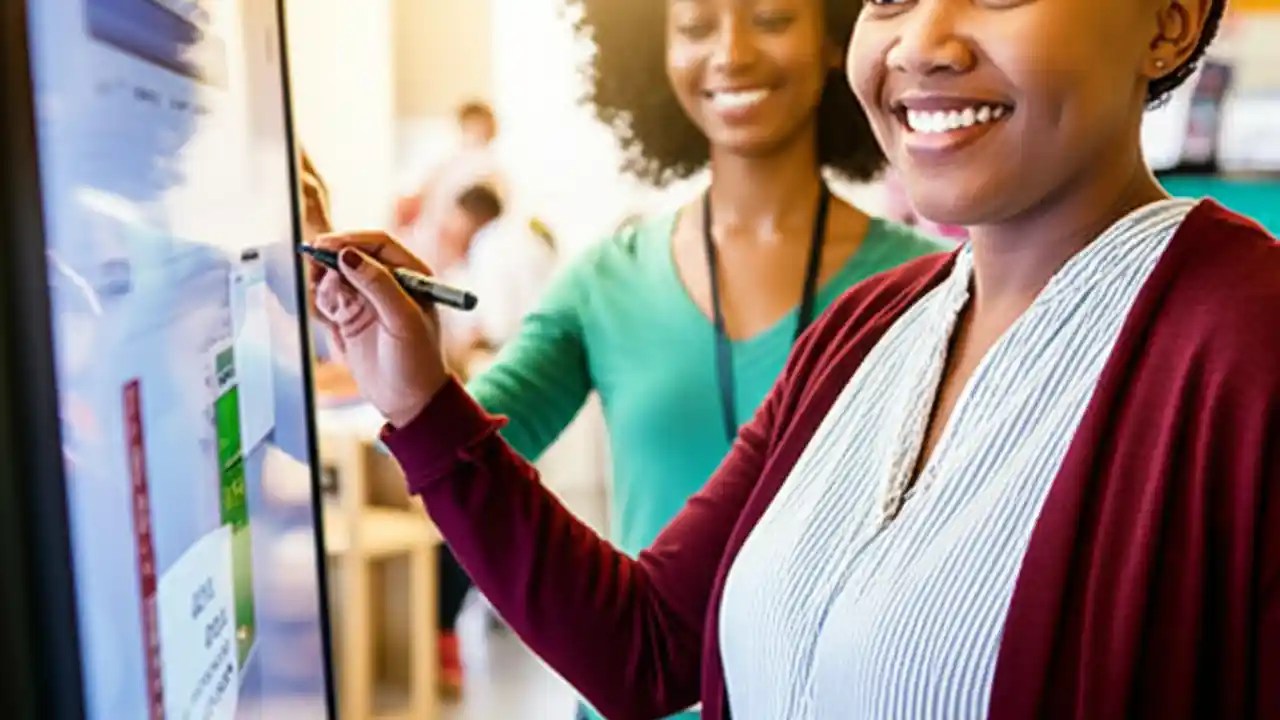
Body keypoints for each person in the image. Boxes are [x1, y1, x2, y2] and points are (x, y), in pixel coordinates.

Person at [317, 0, 1280, 718]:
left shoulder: (1248, 347)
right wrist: (418, 397)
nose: (922, 43)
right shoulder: (868, 329)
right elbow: (650, 647)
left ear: (1168, 20)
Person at [330, 0, 943, 714]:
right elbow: (469, 452)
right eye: (695, 27)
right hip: (635, 685)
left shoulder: (929, 288)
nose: (731, 52)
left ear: (835, 37)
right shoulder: (605, 282)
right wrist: (384, 342)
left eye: (771, 18)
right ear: (653, 53)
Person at [394, 101, 506, 263]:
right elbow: (417, 197)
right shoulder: (446, 162)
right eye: (470, 126)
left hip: (461, 253)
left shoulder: (491, 170)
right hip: (433, 242)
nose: (475, 133)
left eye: (479, 126)